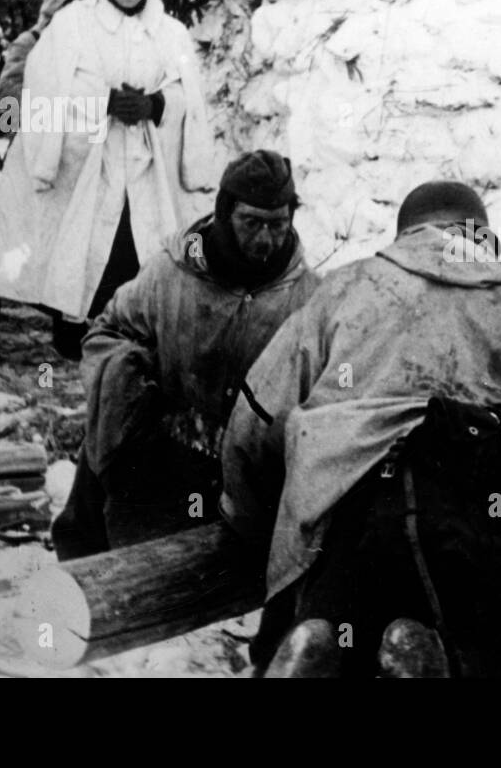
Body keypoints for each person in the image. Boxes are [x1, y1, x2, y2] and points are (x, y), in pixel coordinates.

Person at [220, 180, 501, 678]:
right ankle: (424, 649)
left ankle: (324, 637)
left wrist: (251, 521)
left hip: (349, 498)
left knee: (337, 603)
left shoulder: (344, 288)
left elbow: (255, 419)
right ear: (481, 238)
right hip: (482, 508)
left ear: (404, 235)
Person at [52, 150, 318, 559]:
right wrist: (132, 389)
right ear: (225, 214)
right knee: (106, 416)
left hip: (246, 457)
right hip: (167, 433)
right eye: (251, 223)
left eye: (278, 224)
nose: (265, 240)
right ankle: (79, 564)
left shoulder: (306, 296)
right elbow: (108, 331)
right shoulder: (172, 272)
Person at [0, 0, 216, 359]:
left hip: (144, 168)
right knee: (82, 249)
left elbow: (190, 100)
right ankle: (74, 330)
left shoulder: (170, 34)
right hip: (86, 166)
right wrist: (101, 104)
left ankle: (138, 334)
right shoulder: (72, 27)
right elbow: (44, 92)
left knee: (138, 249)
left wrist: (154, 105)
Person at [0, 0, 93, 129]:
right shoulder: (29, 44)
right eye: (74, 1)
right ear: (57, 3)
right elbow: (7, 101)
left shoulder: (91, 44)